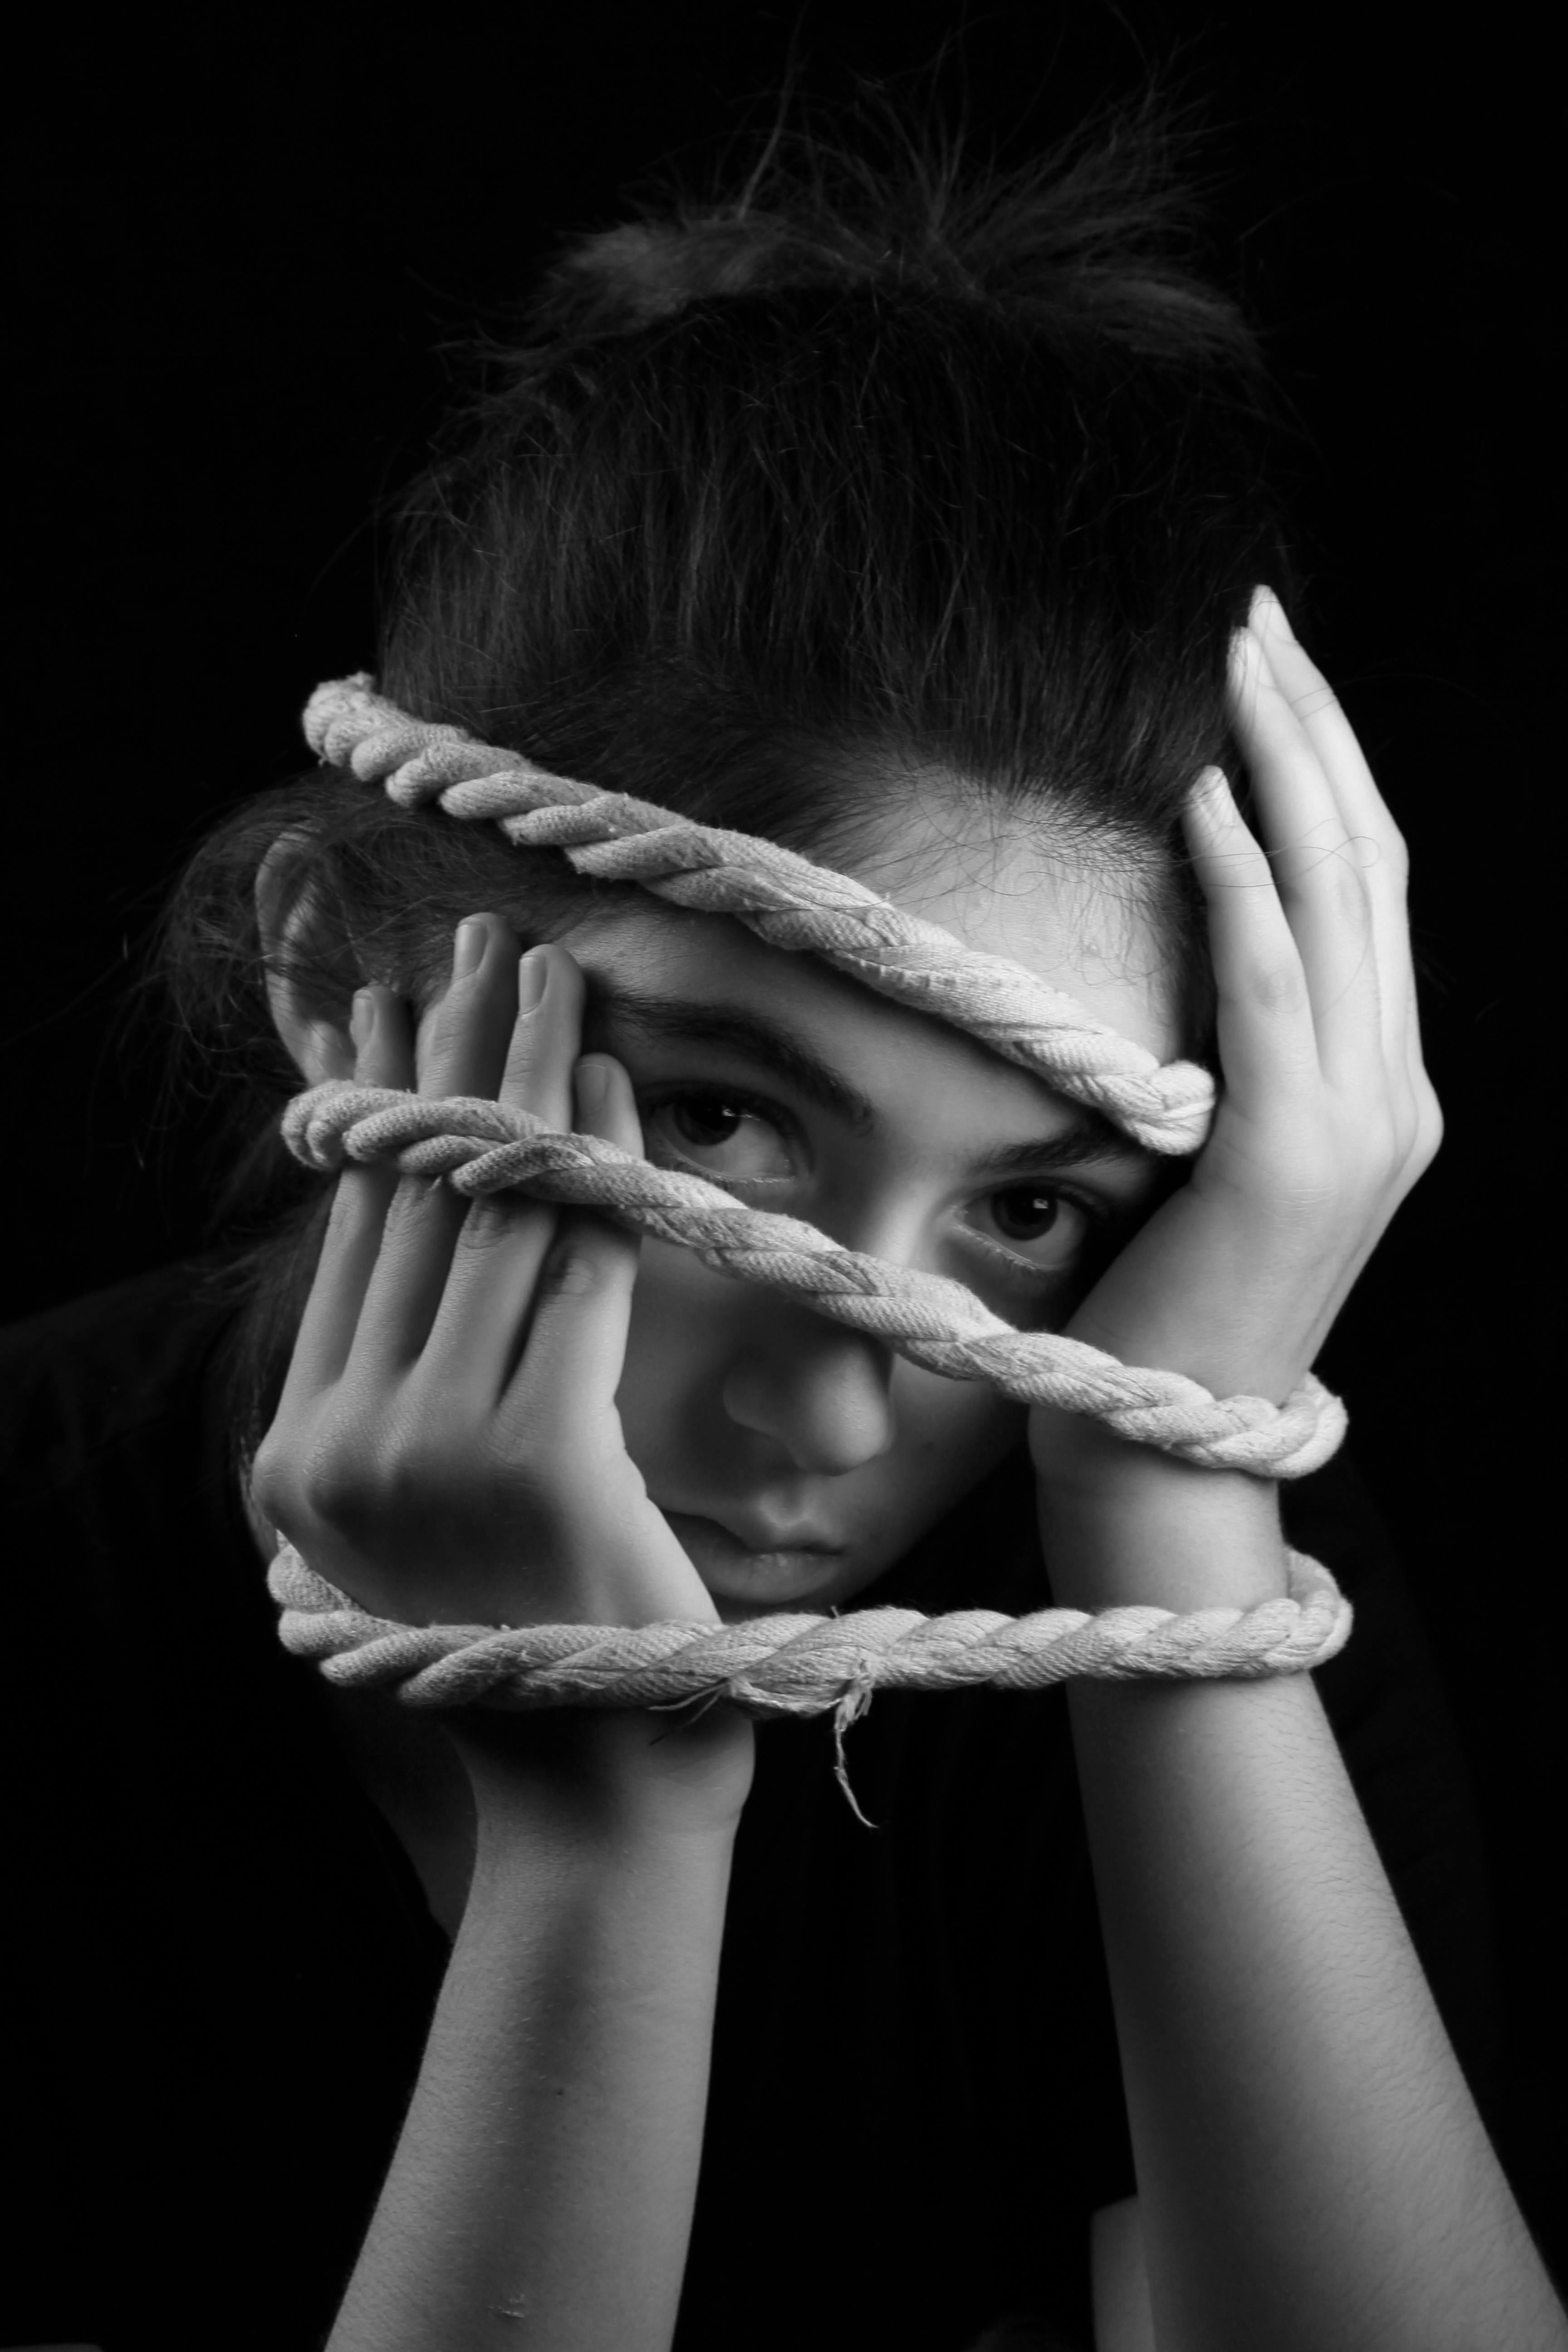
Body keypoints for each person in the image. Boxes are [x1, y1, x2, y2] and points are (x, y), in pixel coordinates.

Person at [3, 84, 1563, 2352]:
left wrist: (1175, 1513)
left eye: (1033, 1207)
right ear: (337, 972)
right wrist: (608, 1841)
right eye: (724, 1120)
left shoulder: (1148, 1578)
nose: (839, 1410)